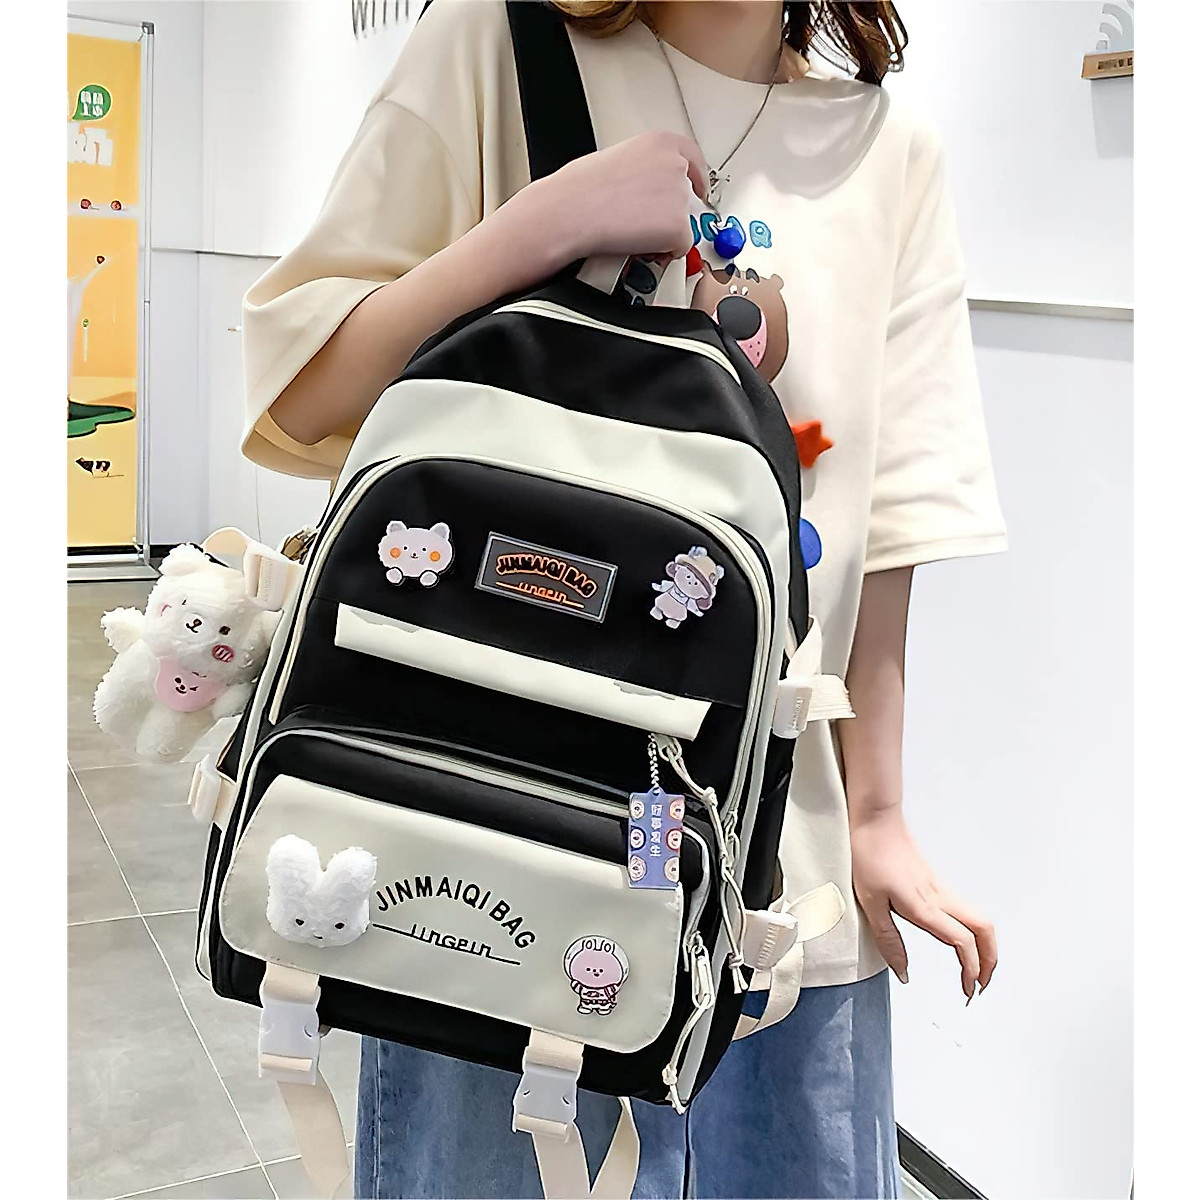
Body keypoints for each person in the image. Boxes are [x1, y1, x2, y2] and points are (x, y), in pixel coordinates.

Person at [241, 2, 1007, 1196]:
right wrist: (544, 224)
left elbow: (889, 520)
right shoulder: (498, 46)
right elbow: (305, 387)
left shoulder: (884, 148)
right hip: (494, 835)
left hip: (782, 869)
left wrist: (877, 812)